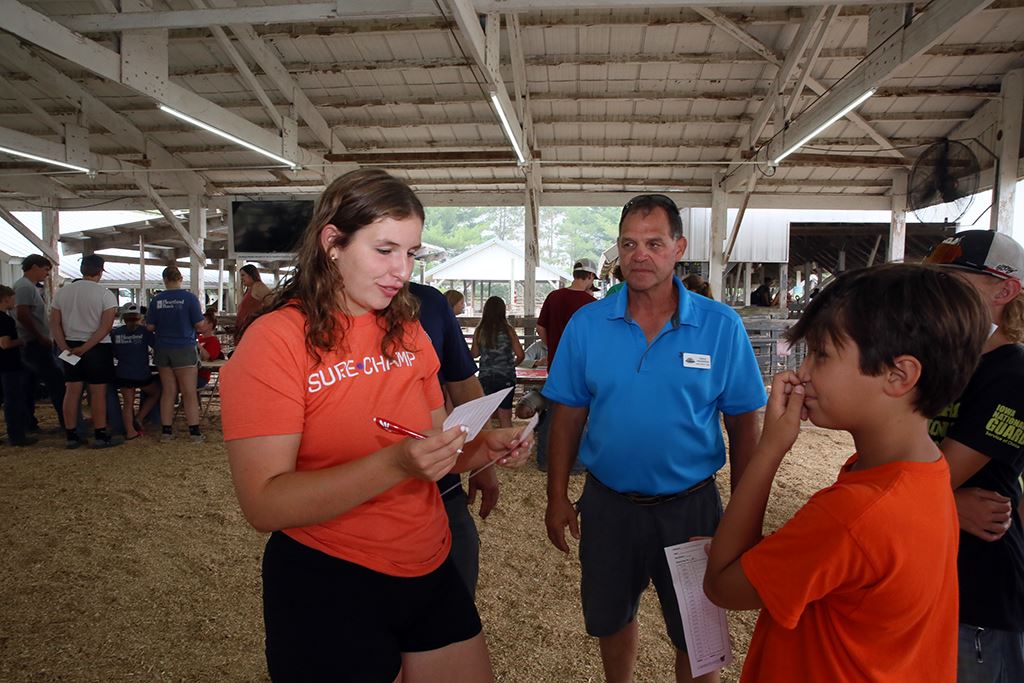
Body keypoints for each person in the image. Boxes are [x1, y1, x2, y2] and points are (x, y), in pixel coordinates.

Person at [219, 168, 531, 682]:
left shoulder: (406, 328)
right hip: (328, 575)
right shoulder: (275, 339)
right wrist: (393, 463)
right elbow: (264, 503)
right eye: (385, 250)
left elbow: (436, 452)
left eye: (410, 253)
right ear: (332, 243)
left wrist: (485, 446)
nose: (401, 270)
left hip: (427, 559)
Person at [704, 263, 990, 683]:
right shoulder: (924, 472)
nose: (802, 374)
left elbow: (721, 584)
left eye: (821, 355)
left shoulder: (853, 514)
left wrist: (769, 450)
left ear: (899, 375)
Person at [543, 193, 765, 683]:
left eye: (654, 243)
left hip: (690, 507)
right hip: (607, 504)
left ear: (678, 247)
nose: (640, 254)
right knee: (611, 617)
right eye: (629, 243)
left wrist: (746, 517)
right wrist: (557, 495)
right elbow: (567, 416)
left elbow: (745, 426)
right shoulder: (588, 324)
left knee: (698, 629)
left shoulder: (720, 326)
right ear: (618, 251)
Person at [924, 230, 1024, 683]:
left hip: (980, 583)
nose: (937, 293)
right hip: (932, 564)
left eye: (955, 281)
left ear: (1005, 290)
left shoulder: (1012, 373)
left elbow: (936, 477)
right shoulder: (947, 361)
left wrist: (939, 496)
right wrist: (945, 502)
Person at [409, 280, 499, 599]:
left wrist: (483, 461)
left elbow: (463, 384)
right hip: (359, 506)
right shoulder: (305, 310)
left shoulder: (429, 303)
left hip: (443, 486)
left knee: (459, 580)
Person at [534, 257, 599, 471]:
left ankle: (545, 459)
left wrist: (552, 345)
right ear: (589, 276)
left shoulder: (554, 296)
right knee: (580, 415)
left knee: (553, 412)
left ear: (574, 274)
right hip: (582, 367)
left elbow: (541, 328)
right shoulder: (591, 304)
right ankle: (576, 463)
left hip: (556, 363)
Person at [50, 254, 120, 449]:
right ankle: (100, 434)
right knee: (97, 393)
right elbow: (105, 327)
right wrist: (85, 348)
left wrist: (64, 347)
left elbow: (54, 324)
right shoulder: (105, 295)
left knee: (72, 391)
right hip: (96, 347)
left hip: (69, 345)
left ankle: (71, 435)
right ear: (100, 271)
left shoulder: (62, 293)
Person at [148, 266, 208, 442]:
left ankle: (166, 431)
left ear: (165, 279)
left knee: (168, 391)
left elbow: (150, 327)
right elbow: (199, 325)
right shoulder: (189, 298)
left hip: (163, 348)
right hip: (184, 347)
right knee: (189, 391)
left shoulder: (157, 300)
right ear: (180, 278)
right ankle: (194, 432)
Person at [14, 254, 65, 431]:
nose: (47, 274)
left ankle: (29, 423)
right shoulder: (25, 287)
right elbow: (22, 314)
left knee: (28, 384)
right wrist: (39, 336)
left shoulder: (28, 287)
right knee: (56, 381)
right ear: (34, 267)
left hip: (31, 343)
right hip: (34, 343)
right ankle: (67, 422)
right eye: (45, 270)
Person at [472, 296, 525, 429]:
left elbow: (474, 354)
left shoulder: (480, 330)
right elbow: (520, 355)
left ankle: (486, 447)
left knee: (485, 418)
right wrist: (511, 365)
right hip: (506, 377)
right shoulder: (509, 330)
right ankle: (510, 447)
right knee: (505, 417)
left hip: (486, 377)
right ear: (503, 311)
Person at [110, 303, 159, 440]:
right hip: (141, 373)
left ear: (123, 318)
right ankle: (139, 417)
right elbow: (156, 346)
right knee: (155, 392)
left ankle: (130, 431)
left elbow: (114, 352)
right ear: (139, 317)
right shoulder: (145, 332)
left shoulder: (116, 333)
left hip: (123, 372)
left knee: (128, 403)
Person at [1, 285, 36, 447]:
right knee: (13, 401)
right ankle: (16, 436)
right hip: (8, 365)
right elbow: (5, 344)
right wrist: (22, 341)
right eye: (12, 298)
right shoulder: (5, 320)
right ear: (6, 299)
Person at [234, 264, 271, 342]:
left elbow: (272, 302)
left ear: (251, 275)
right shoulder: (250, 289)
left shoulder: (258, 286)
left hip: (251, 330)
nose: (241, 278)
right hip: (245, 330)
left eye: (243, 275)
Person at [197, 310, 223, 389]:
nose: (199, 324)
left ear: (210, 325)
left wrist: (197, 345)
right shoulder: (199, 338)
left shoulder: (213, 341)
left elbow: (207, 357)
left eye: (203, 322)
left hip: (200, 376)